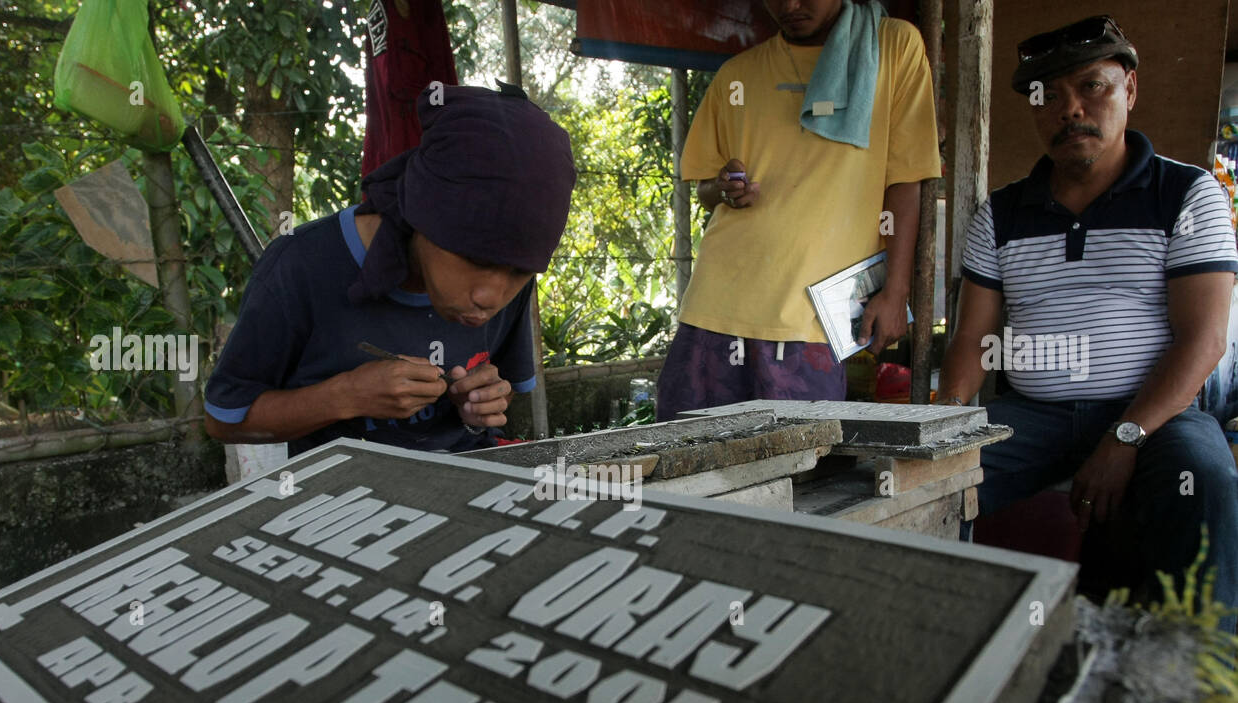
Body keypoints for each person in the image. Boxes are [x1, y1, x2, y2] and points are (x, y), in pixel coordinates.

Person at [937, 16, 1238, 625]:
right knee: (916, 483)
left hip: (1157, 412)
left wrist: (1125, 436)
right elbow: (972, 338)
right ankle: (941, 640)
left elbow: (1203, 340)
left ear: (1129, 89)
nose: (1069, 109)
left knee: (1203, 478)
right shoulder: (1001, 213)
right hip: (1033, 417)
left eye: (1091, 87)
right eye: (1047, 96)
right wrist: (941, 428)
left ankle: (1198, 672)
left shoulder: (1187, 193)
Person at [203, 83, 576, 456]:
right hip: (341, 499)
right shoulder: (300, 266)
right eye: (475, 261)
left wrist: (479, 404)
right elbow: (224, 419)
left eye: (520, 272)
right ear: (421, 212)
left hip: (466, 482)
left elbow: (503, 387)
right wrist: (346, 395)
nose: (490, 297)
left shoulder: (512, 272)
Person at [655, 0, 941, 420]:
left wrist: (896, 290)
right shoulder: (737, 75)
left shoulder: (893, 47)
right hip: (715, 305)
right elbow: (704, 190)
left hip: (813, 318)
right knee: (686, 463)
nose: (789, 5)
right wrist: (724, 187)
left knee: (798, 471)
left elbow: (905, 179)